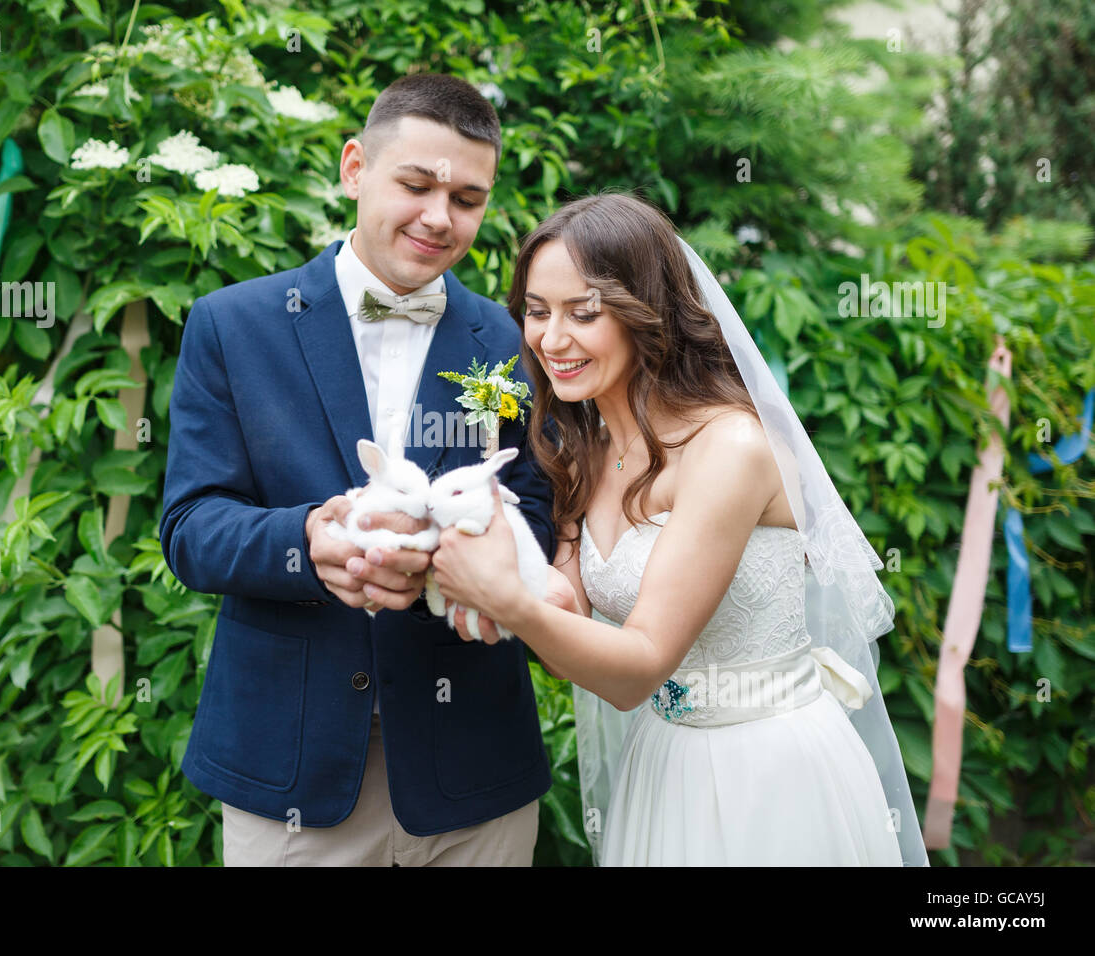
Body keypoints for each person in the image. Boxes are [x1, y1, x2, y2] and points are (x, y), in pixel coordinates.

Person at [429, 192, 929, 866]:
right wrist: (480, 566)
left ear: (646, 313)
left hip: (768, 775)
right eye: (537, 312)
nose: (551, 340)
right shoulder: (585, 450)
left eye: (584, 313)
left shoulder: (732, 449)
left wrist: (509, 600)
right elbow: (564, 614)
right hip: (664, 762)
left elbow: (638, 667)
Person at [160, 74, 558, 866]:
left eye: (469, 199)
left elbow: (540, 514)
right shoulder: (231, 325)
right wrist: (307, 542)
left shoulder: (515, 342)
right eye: (416, 184)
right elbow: (191, 527)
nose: (440, 218)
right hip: (292, 776)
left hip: (472, 768)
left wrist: (457, 561)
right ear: (354, 168)